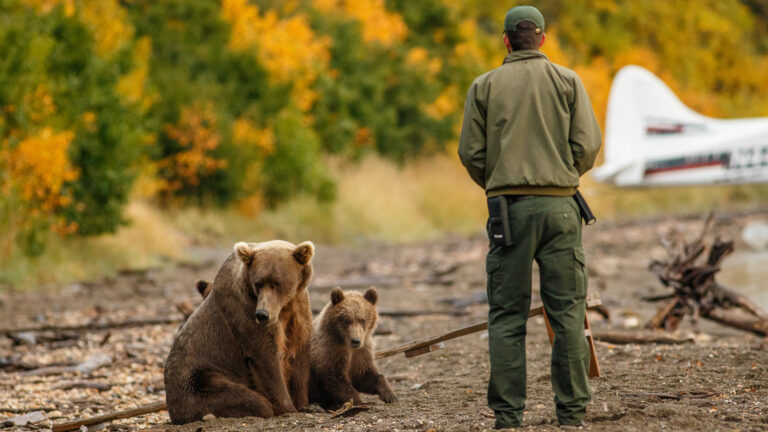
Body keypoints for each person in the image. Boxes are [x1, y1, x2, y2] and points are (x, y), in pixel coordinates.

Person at [457, 5, 602, 430]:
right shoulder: (569, 80)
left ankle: (508, 418)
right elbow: (588, 146)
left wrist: (499, 180)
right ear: (541, 38)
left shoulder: (483, 86)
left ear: (506, 40)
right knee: (568, 315)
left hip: (509, 212)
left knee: (506, 316)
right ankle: (572, 416)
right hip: (561, 209)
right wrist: (561, 176)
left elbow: (471, 153)